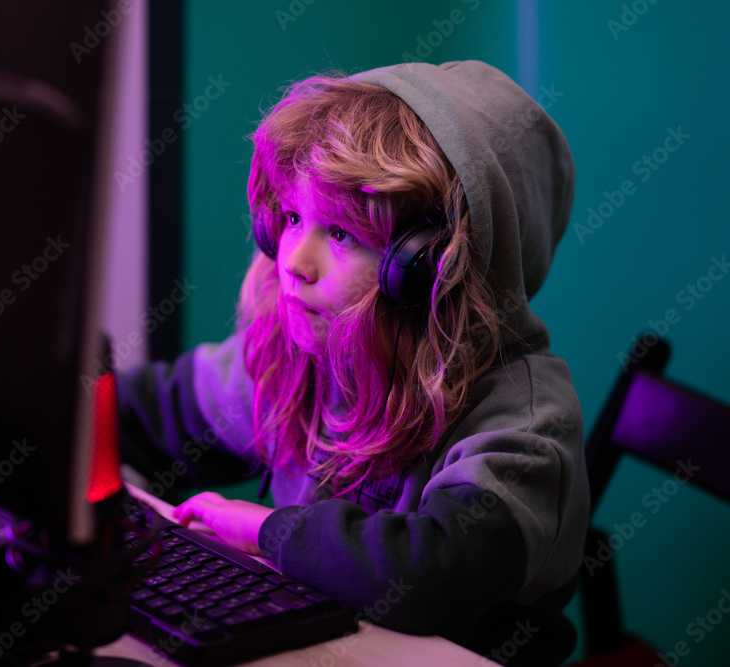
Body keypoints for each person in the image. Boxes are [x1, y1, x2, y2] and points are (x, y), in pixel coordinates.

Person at [115, 60, 588, 666]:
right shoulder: (299, 353)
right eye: (290, 218)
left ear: (430, 266)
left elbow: (433, 573)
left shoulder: (523, 420)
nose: (295, 261)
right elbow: (148, 410)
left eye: (340, 233)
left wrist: (264, 530)